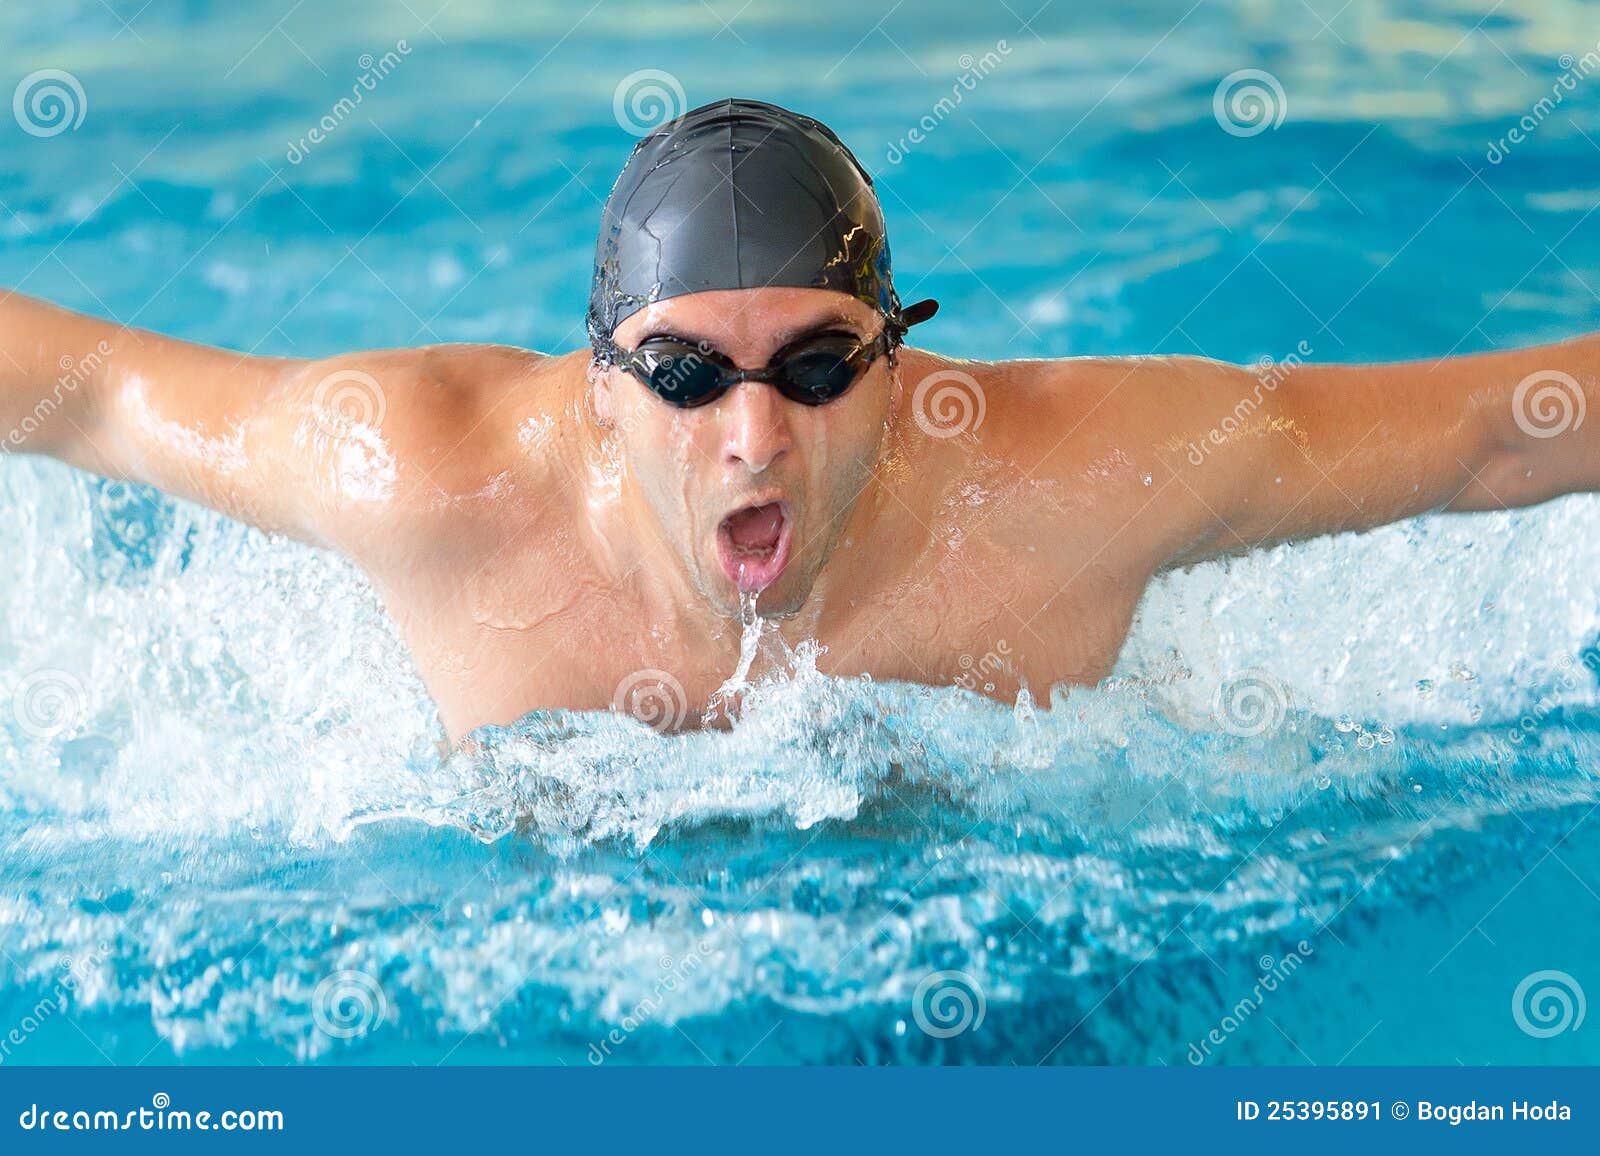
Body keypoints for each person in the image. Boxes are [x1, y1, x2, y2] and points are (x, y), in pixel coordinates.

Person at [1, 98, 1596, 740]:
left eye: (821, 364)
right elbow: (97, 394)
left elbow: (1494, 432)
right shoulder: (425, 466)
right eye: (690, 373)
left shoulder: (1083, 476)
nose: (754, 434)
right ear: (601, 385)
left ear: (901, 367)